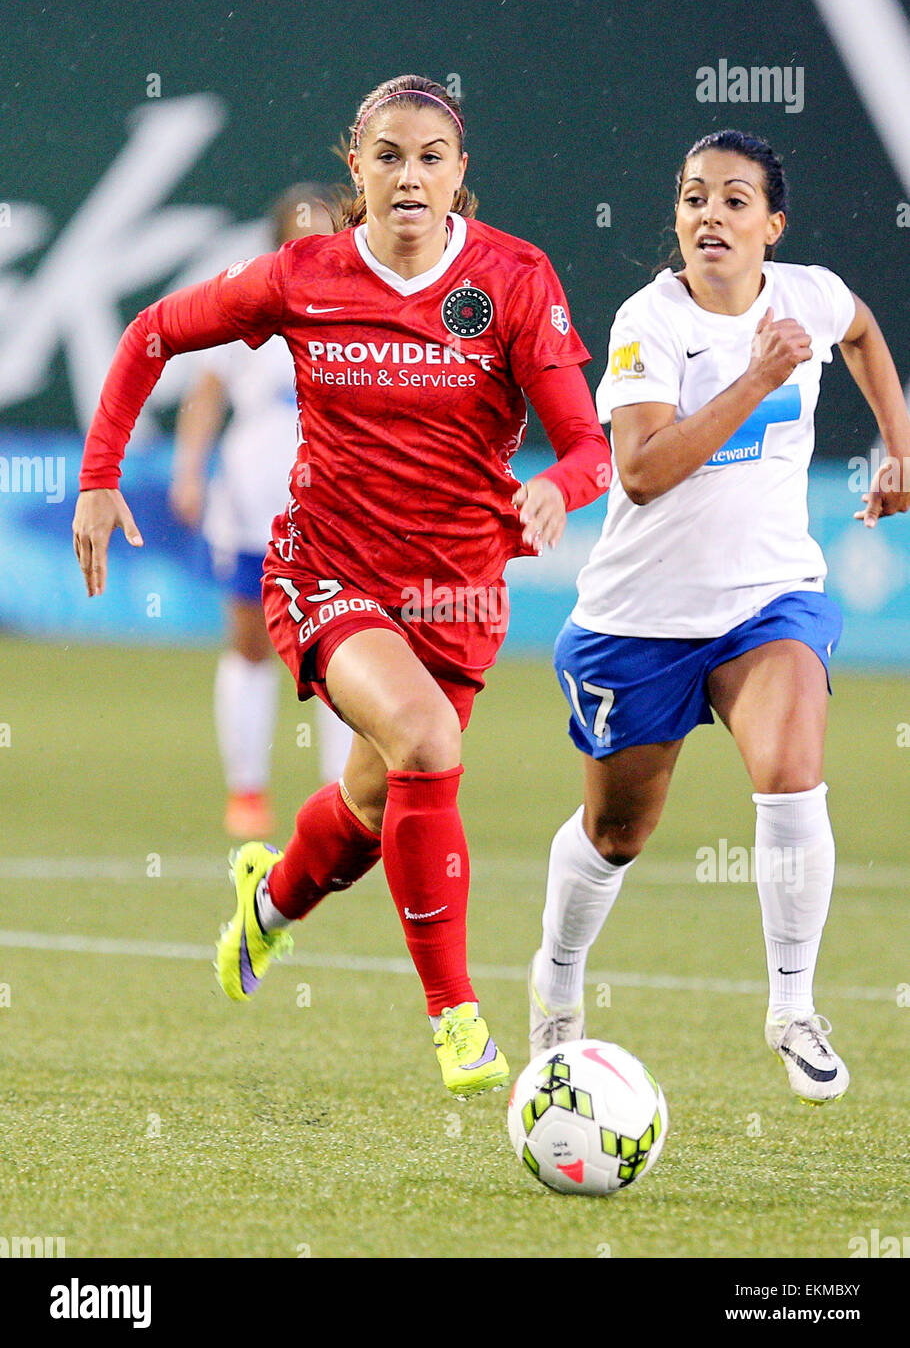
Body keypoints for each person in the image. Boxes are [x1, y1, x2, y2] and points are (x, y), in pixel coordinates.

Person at [72, 73, 612, 1099]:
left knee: (371, 805)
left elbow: (588, 444)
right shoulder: (301, 275)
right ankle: (455, 1014)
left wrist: (553, 487)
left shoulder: (512, 280)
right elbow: (152, 334)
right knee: (425, 741)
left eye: (431, 157)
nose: (409, 175)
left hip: (457, 597)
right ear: (354, 168)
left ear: (462, 178)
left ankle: (269, 899)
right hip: (325, 571)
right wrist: (99, 476)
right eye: (388, 155)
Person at [529, 129, 910, 1104]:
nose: (710, 214)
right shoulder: (646, 323)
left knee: (791, 773)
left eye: (735, 200)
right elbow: (643, 471)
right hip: (640, 619)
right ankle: (557, 982)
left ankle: (792, 1005)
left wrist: (897, 449)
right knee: (618, 830)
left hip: (766, 598)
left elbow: (861, 328)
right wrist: (756, 377)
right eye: (694, 196)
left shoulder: (809, 297)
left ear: (769, 226)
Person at [168, 185, 353, 838]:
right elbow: (205, 391)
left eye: (322, 230)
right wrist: (190, 468)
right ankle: (247, 790)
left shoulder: (367, 304)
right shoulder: (246, 299)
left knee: (341, 647)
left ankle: (341, 799)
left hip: (338, 502)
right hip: (252, 496)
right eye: (297, 231)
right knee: (250, 644)